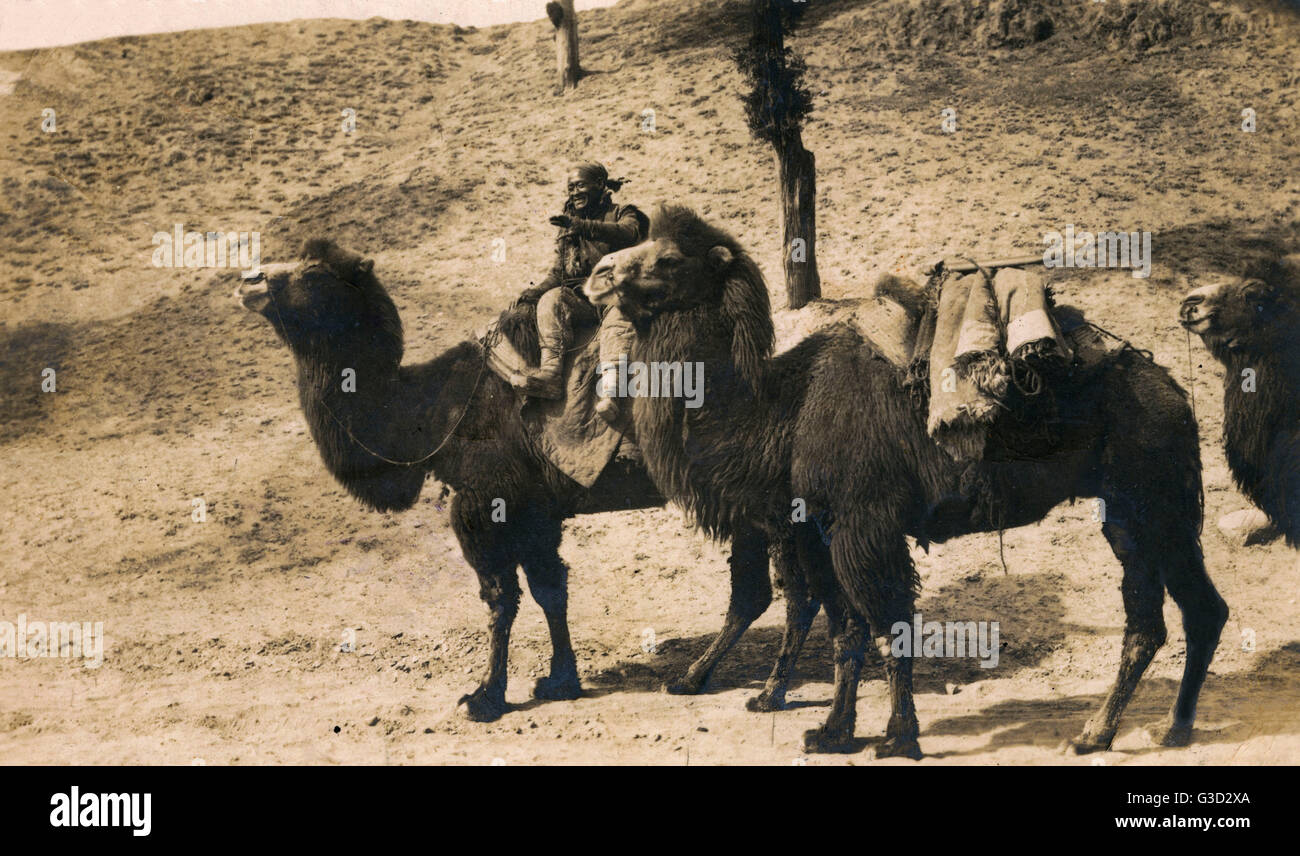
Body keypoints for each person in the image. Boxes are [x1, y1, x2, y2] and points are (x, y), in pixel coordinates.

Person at [511, 162, 647, 414]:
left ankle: (611, 392)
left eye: (580, 185)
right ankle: (551, 375)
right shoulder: (570, 225)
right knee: (552, 299)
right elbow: (559, 273)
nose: (574, 193)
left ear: (599, 185)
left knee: (620, 313)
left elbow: (629, 233)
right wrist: (534, 293)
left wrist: (582, 226)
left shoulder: (622, 212)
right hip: (584, 300)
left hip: (617, 294)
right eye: (570, 188)